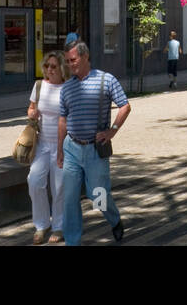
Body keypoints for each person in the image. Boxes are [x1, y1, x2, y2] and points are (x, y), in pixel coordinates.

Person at [58, 41, 130, 245]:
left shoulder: (106, 80)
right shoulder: (68, 87)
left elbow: (125, 106)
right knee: (70, 199)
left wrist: (112, 130)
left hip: (94, 150)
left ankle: (114, 220)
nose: (70, 64)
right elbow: (62, 120)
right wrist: (59, 151)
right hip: (71, 147)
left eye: (73, 60)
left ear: (85, 57)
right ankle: (73, 241)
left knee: (98, 195)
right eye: (67, 61)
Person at [27, 51, 68, 245]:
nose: (49, 70)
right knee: (34, 181)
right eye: (47, 66)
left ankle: (59, 226)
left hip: (63, 145)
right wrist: (32, 113)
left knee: (59, 187)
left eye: (53, 66)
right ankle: (41, 224)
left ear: (62, 68)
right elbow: (31, 108)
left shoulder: (68, 88)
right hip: (42, 144)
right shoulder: (39, 86)